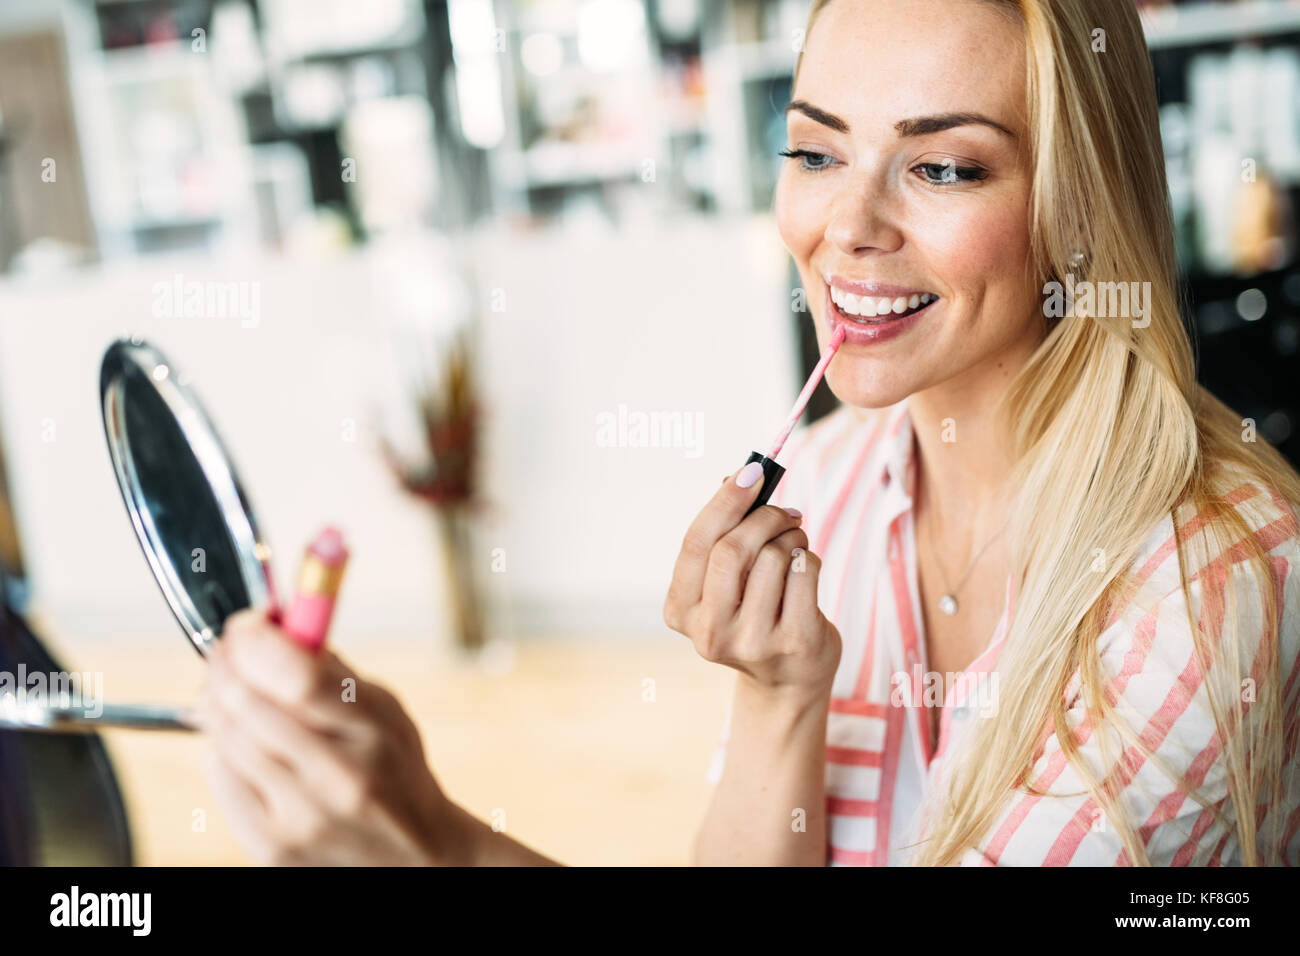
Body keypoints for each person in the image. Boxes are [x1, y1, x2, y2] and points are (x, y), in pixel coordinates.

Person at [199, 0, 1300, 866]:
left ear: (1077, 205)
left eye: (943, 166)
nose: (846, 227)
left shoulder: (1213, 578)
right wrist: (779, 697)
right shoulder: (824, 479)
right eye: (816, 153)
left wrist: (438, 847)